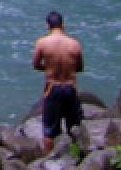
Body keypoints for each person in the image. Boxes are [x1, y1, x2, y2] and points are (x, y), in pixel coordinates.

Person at [32, 11, 87, 156]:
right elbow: (80, 67)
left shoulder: (42, 43)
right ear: (63, 25)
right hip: (70, 87)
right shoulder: (75, 44)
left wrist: (49, 67)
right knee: (73, 125)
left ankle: (49, 159)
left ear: (47, 26)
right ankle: (76, 156)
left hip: (52, 87)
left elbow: (36, 65)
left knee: (50, 129)